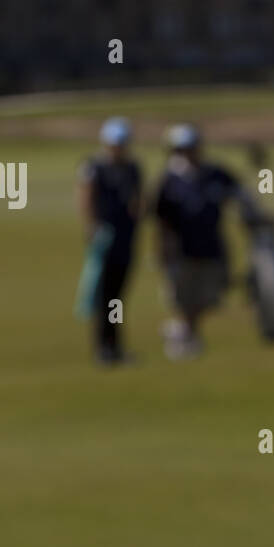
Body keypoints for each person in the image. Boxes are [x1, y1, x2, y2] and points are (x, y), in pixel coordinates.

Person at [152, 123, 253, 358]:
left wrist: (254, 216)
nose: (186, 153)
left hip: (212, 246)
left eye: (189, 147)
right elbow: (160, 219)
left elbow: (241, 195)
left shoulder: (215, 173)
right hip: (181, 249)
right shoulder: (169, 180)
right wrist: (162, 250)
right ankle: (186, 338)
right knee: (182, 296)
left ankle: (181, 330)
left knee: (212, 296)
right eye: (180, 149)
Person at [76, 117, 142, 364]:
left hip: (126, 239)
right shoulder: (94, 166)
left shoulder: (133, 168)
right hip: (105, 238)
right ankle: (104, 348)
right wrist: (91, 226)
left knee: (117, 297)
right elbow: (85, 196)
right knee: (105, 295)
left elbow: (137, 200)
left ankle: (114, 346)